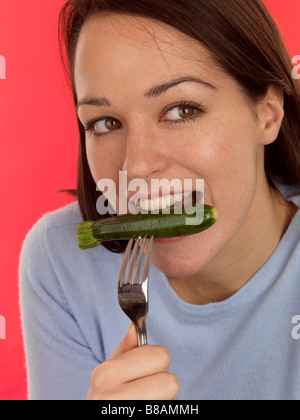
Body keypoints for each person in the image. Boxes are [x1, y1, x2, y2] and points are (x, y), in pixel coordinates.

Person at [19, 0, 300, 400]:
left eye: (182, 110)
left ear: (268, 114)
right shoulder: (61, 261)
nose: (136, 166)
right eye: (105, 123)